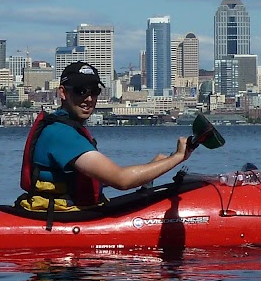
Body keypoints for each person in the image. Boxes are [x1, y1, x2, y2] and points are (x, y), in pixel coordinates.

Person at [16, 61, 190, 216]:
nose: (89, 98)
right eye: (80, 91)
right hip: (62, 219)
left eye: (94, 91)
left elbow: (98, 180)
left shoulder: (67, 129)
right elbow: (121, 180)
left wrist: (151, 168)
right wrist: (177, 158)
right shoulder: (61, 134)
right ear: (63, 93)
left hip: (74, 211)